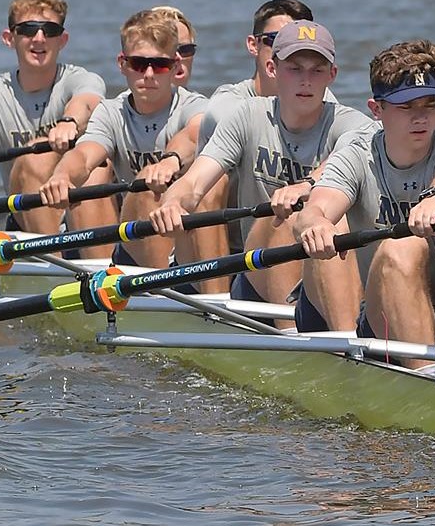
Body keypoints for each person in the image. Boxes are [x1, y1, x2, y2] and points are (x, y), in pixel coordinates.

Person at [290, 39, 435, 368]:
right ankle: (426, 386)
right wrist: (315, 226)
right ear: (376, 109)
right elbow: (317, 208)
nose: (421, 117)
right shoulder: (357, 152)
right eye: (406, 106)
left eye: (431, 104)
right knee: (402, 247)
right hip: (381, 313)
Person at [150, 20, 373, 311]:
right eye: (294, 68)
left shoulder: (349, 123)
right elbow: (194, 183)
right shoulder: (248, 116)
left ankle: (339, 341)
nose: (306, 80)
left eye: (317, 70)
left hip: (328, 267)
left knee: (318, 216)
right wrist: (172, 203)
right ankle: (293, 336)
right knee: (285, 219)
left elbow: (353, 148)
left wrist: (307, 185)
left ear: (332, 75)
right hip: (257, 275)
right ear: (272, 70)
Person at [39, 10, 208, 269]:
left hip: (185, 241)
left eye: (160, 65)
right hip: (135, 240)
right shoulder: (111, 112)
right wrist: (62, 177)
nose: (149, 74)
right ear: (122, 64)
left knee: (156, 183)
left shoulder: (193, 105)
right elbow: (85, 155)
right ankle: (106, 278)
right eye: (139, 64)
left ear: (175, 66)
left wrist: (170, 161)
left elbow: (194, 133)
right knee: (100, 176)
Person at [0, 0, 110, 238]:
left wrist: (69, 122)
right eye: (28, 30)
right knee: (34, 157)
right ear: (10, 38)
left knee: (95, 167)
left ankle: (96, 263)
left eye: (49, 31)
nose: (39, 38)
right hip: (27, 214)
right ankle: (58, 261)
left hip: (85, 210)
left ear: (62, 41)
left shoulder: (82, 80)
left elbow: (87, 102)